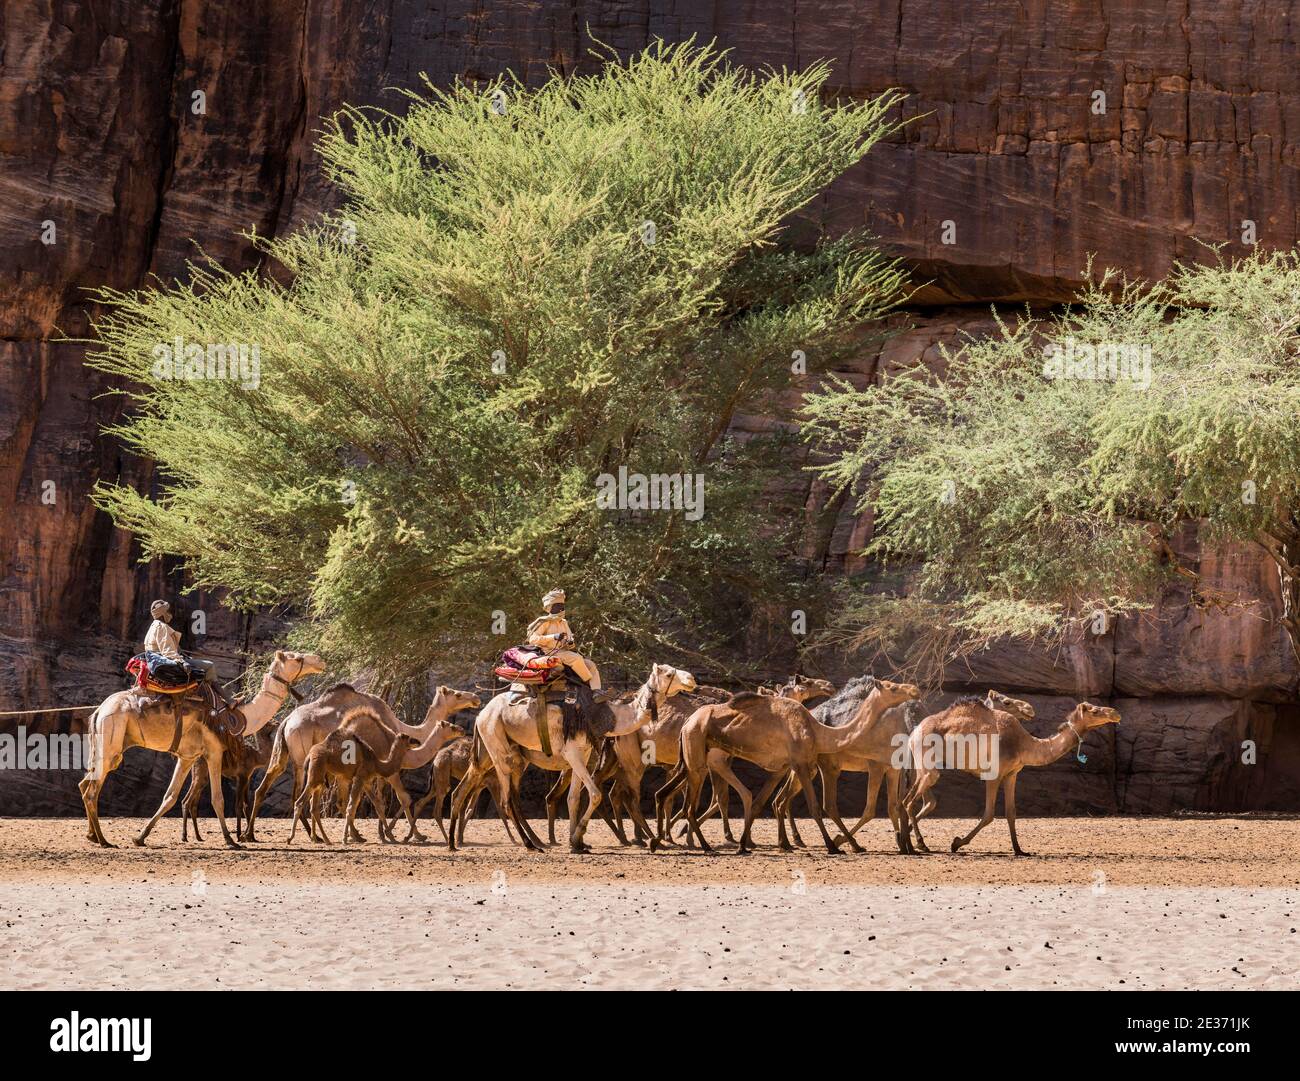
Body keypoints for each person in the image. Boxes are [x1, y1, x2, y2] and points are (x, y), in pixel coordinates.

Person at [525, 589, 601, 690]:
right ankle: (587, 682)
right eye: (558, 606)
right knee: (576, 658)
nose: (561, 608)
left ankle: (597, 691)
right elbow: (532, 639)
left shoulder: (564, 622)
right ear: (550, 608)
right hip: (549, 653)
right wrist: (553, 637)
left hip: (564, 652)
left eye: (562, 605)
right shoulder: (544, 621)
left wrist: (570, 643)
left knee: (591, 664)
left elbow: (570, 640)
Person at [143, 600, 215, 684]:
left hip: (160, 660)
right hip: (168, 661)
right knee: (210, 665)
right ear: (163, 613)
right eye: (168, 611)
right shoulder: (162, 627)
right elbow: (167, 651)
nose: (170, 614)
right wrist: (182, 662)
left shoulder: (153, 626)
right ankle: (218, 695)